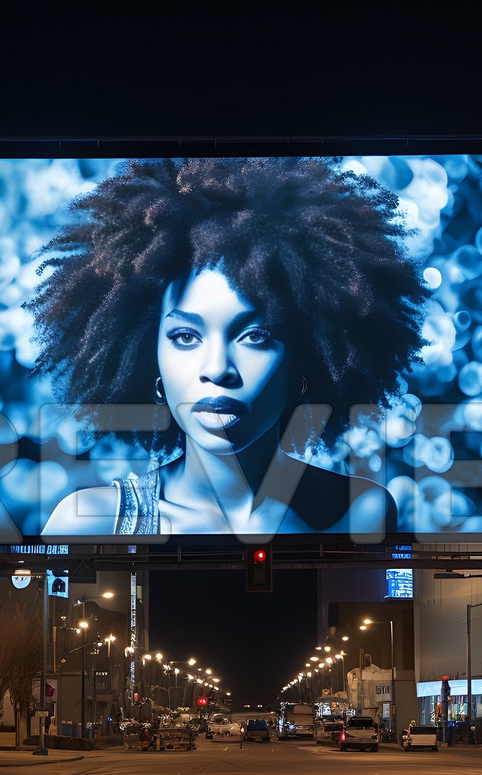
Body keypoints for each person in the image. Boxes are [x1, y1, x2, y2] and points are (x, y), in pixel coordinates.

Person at [30, 156, 429, 539]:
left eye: (255, 336)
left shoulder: (361, 511)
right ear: (146, 358)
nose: (218, 368)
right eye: (185, 337)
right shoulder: (90, 524)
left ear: (306, 363)